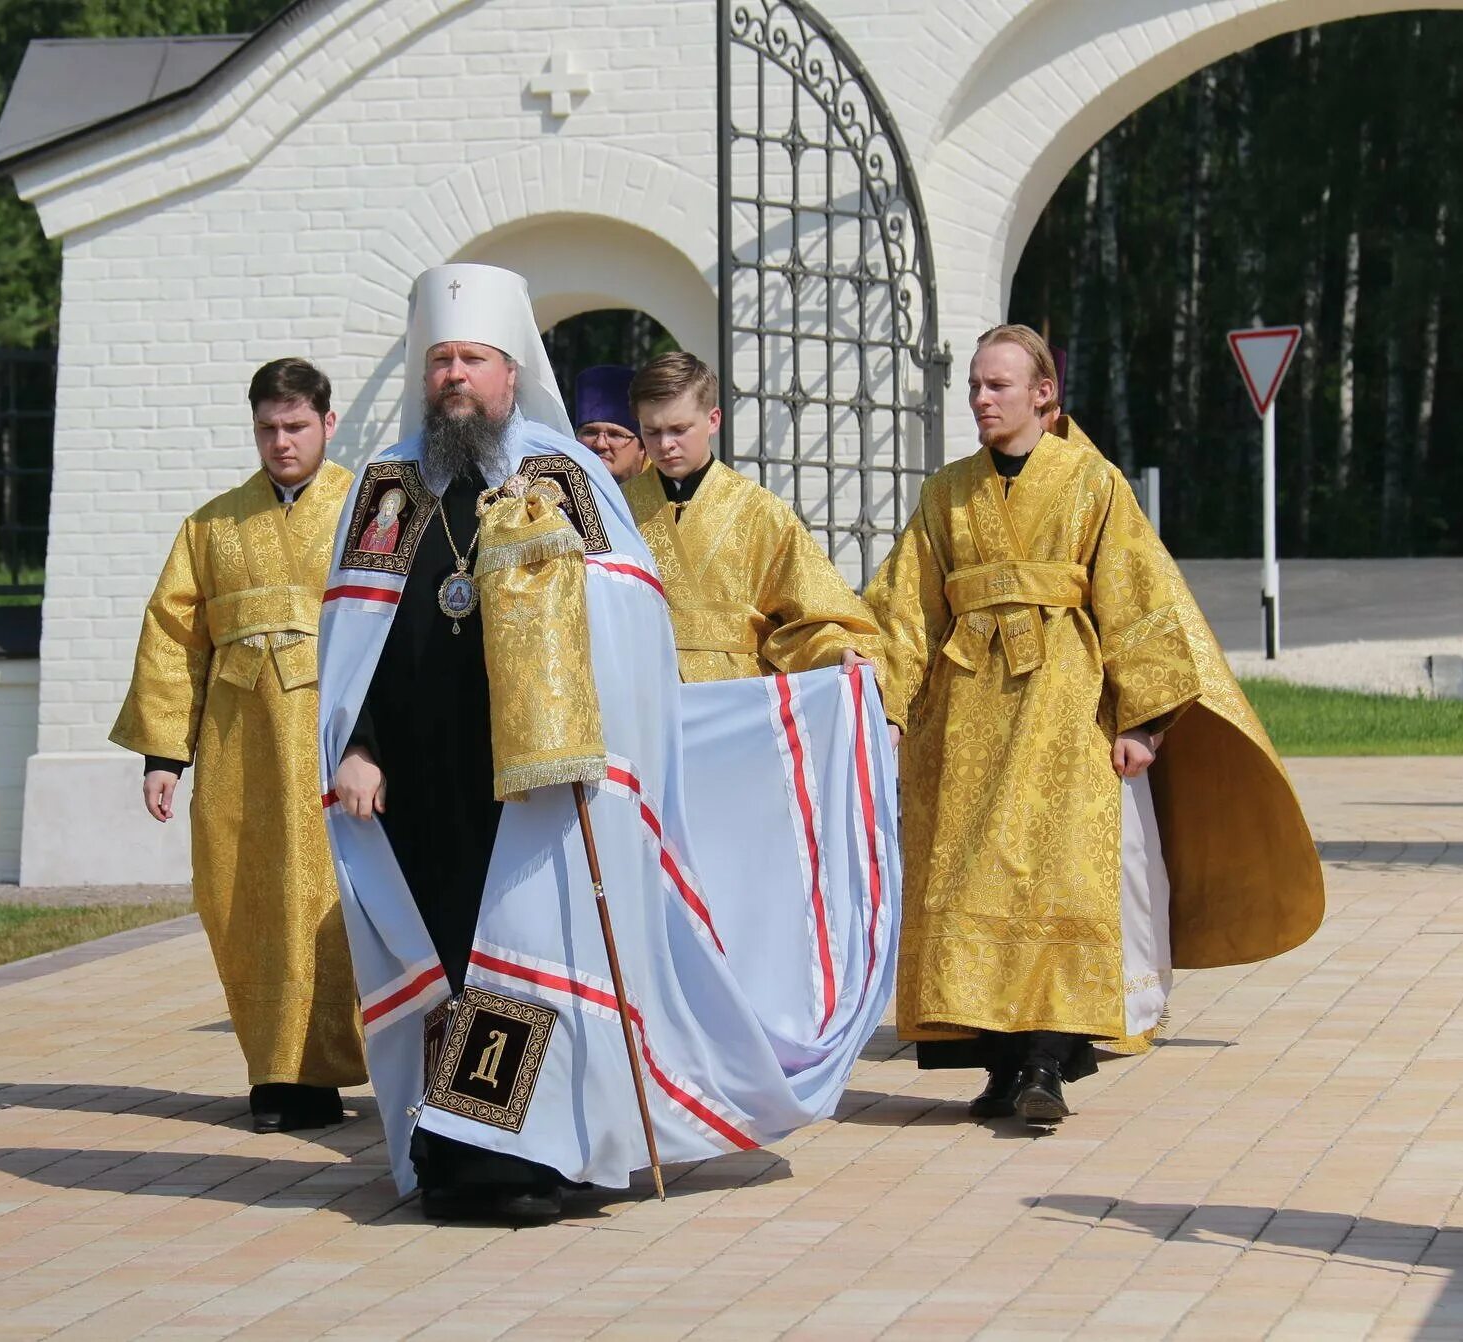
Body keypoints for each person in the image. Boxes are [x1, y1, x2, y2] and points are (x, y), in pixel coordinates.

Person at [317, 263, 900, 1224]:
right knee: (446, 959)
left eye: (474, 358)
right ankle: (454, 1152)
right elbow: (359, 639)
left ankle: (523, 1160)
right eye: (441, 359)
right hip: (415, 779)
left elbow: (629, 622)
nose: (455, 375)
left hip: (542, 780)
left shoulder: (563, 474)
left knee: (529, 957)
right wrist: (358, 747)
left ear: (512, 372)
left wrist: (594, 743)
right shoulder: (386, 487)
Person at [863, 324, 1323, 1125]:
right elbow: (904, 607)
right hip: (965, 721)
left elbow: (1138, 600)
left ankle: (1048, 1063)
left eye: (996, 385)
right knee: (970, 883)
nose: (979, 398)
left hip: (1064, 711)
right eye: (973, 384)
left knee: (1058, 878)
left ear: (1044, 394)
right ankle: (1000, 1065)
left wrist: (1144, 721)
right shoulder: (945, 492)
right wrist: (888, 706)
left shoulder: (1093, 482)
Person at [110, 357, 367, 1133]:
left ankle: (329, 1069)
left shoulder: (373, 513)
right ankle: (272, 1074)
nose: (281, 443)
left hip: (337, 746)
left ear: (328, 423)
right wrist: (165, 755)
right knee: (242, 900)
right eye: (267, 429)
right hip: (239, 750)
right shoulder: (211, 525)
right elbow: (174, 639)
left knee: (332, 905)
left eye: (295, 427)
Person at [621, 353, 880, 683]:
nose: (665, 444)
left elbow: (811, 612)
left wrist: (837, 651)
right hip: (641, 690)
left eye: (679, 429)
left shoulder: (760, 510)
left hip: (736, 698)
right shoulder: (618, 507)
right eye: (651, 431)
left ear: (713, 420)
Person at [572, 364, 646, 483]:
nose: (600, 444)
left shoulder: (667, 498)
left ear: (643, 446)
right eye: (590, 433)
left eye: (615, 434)